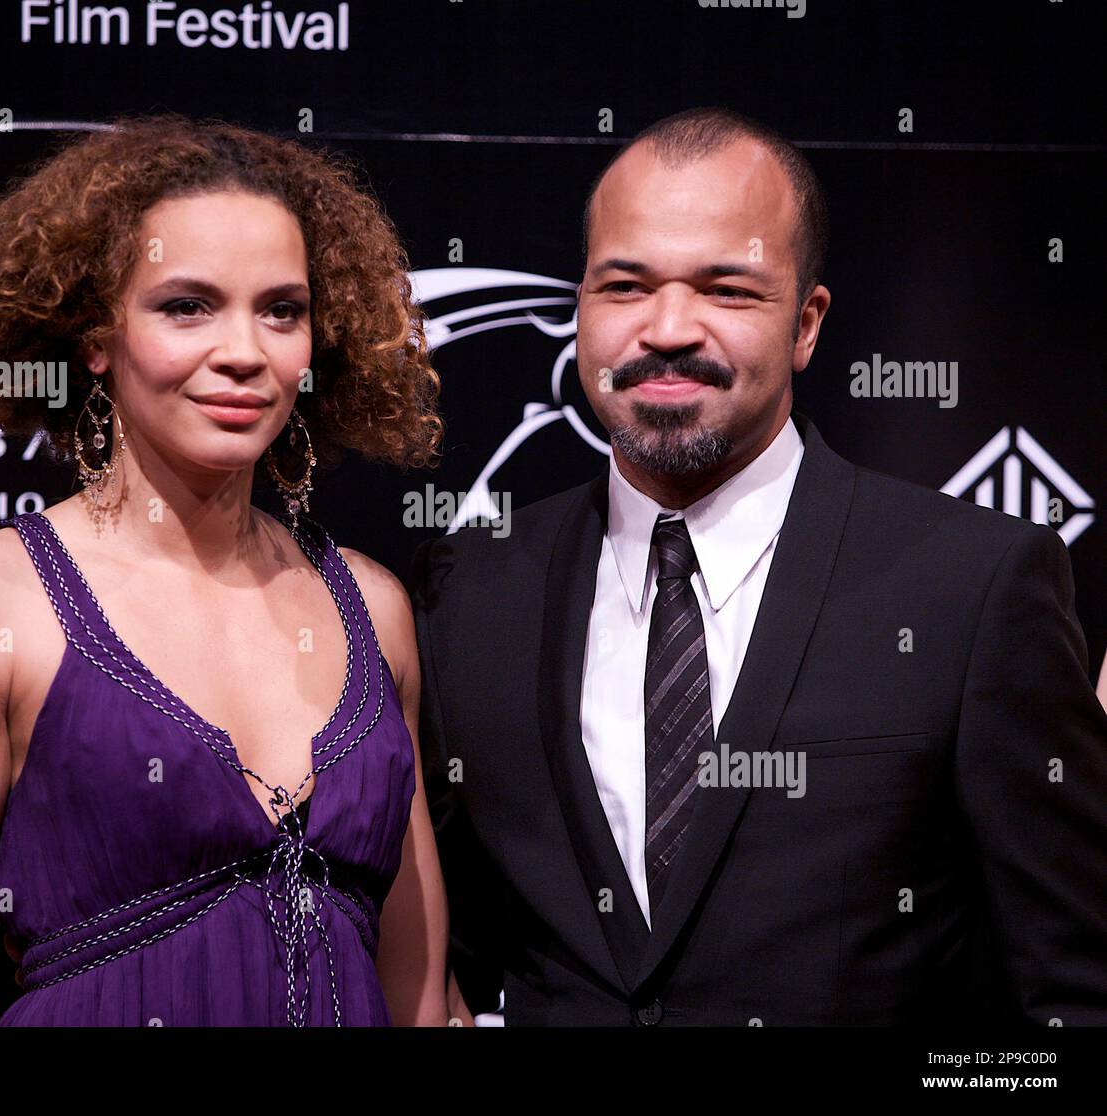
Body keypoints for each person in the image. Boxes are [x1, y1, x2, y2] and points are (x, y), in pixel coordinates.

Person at [413, 106, 1107, 1026]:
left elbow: (1074, 989)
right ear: (580, 304)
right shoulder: (472, 587)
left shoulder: (974, 586)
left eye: (727, 290)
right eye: (624, 286)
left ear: (807, 323)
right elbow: (438, 958)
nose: (667, 328)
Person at [0, 114, 453, 1026]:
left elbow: (421, 998)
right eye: (187, 306)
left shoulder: (373, 609)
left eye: (282, 311)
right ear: (96, 339)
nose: (244, 352)